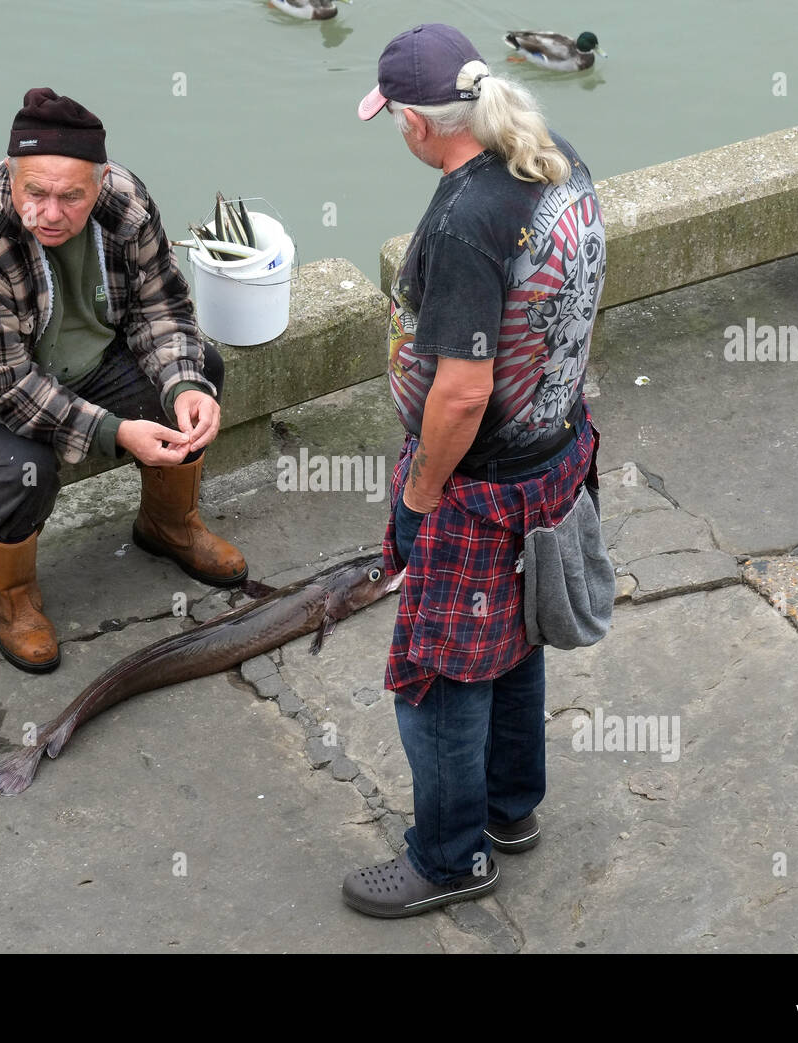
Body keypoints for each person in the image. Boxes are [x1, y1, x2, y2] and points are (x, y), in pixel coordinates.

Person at [343, 24, 607, 917]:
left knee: (441, 674)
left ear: (416, 125)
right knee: (516, 638)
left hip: (480, 484)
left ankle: (452, 858)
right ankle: (510, 810)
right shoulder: (552, 156)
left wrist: (420, 496)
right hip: (554, 451)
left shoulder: (464, 222)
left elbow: (459, 394)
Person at [0, 88, 247, 675]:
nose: (50, 212)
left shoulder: (128, 202)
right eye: (34, 192)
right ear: (10, 176)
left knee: (201, 372)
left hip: (72, 359)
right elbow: (6, 389)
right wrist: (115, 432)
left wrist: (184, 385)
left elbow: (159, 309)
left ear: (103, 181)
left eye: (71, 196)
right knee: (23, 465)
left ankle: (168, 523)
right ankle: (8, 595)